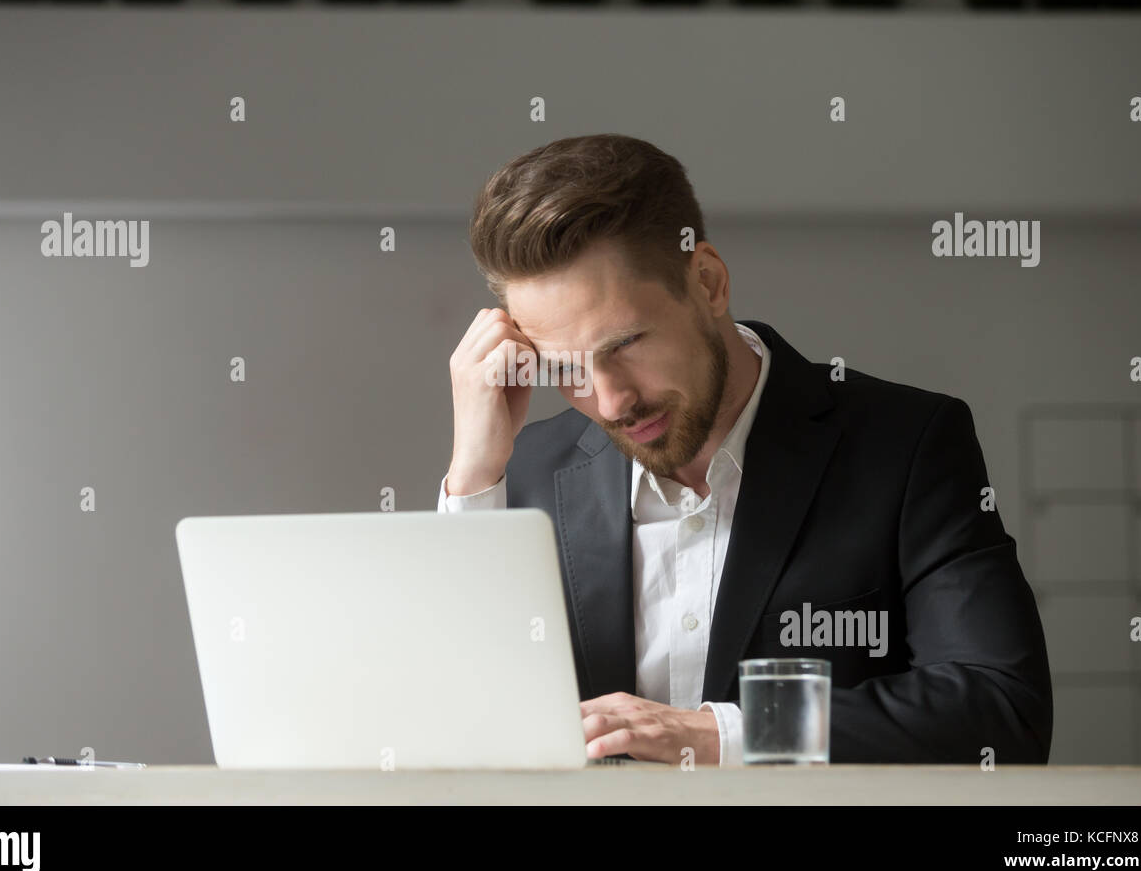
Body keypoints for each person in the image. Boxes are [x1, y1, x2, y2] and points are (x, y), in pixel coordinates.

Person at [438, 133, 1052, 766]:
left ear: (707, 282)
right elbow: (448, 719)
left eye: (624, 345)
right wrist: (474, 479)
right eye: (565, 368)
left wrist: (716, 735)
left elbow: (1001, 710)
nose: (611, 401)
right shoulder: (524, 471)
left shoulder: (906, 444)